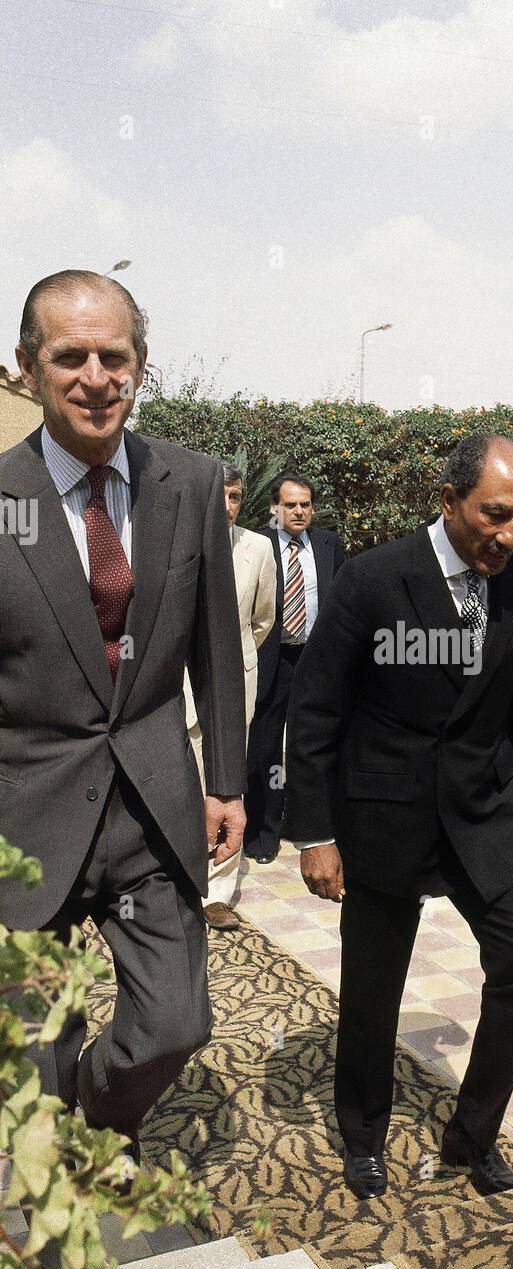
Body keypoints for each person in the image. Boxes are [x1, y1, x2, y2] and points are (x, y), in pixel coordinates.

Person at [0, 270, 246, 1156]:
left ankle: (98, 1124)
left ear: (141, 366)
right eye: (70, 356)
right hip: (26, 821)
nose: (96, 377)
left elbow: (218, 646)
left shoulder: (189, 483)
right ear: (27, 367)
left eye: (116, 355)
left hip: (152, 811)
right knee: (39, 1043)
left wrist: (226, 781)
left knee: (175, 1025)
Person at [285, 434, 513, 1201]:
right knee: (375, 987)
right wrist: (315, 833)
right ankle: (363, 1134)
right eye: (494, 515)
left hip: (484, 810)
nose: (509, 536)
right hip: (382, 813)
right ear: (448, 502)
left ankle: (472, 1138)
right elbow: (314, 711)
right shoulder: (374, 580)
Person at [183, 464, 276, 927]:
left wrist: (229, 662)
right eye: (220, 494)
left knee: (226, 779)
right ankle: (174, 876)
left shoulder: (258, 549)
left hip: (233, 682)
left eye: (236, 496)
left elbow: (261, 620)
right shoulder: (176, 539)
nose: (227, 505)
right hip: (173, 683)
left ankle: (216, 892)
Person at [244, 474, 344, 863]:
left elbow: (341, 606)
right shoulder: (259, 545)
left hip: (316, 662)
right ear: (274, 508)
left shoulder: (328, 545)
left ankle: (312, 827)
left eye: (305, 504)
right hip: (273, 659)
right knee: (264, 748)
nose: (299, 511)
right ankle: (262, 835)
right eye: (290, 505)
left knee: (315, 746)